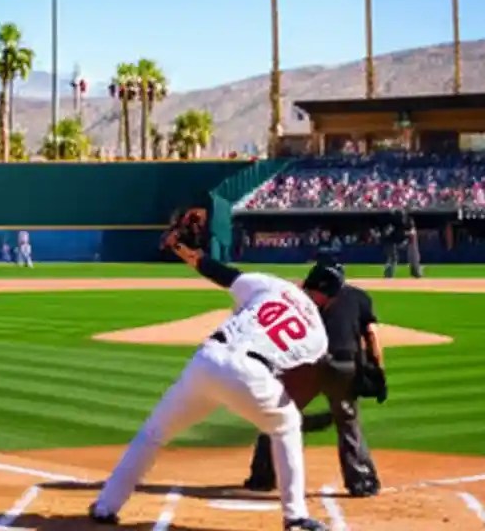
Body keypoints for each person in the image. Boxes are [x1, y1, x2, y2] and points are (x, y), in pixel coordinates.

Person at [89, 209, 331, 531]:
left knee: (153, 432)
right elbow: (298, 374)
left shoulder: (276, 285)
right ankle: (296, 517)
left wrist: (186, 252)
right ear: (327, 299)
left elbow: (223, 273)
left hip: (208, 359)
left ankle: (106, 506)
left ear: (304, 281)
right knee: (286, 425)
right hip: (253, 373)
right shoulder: (318, 332)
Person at [242, 260, 386, 498]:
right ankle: (361, 481)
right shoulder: (360, 297)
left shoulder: (299, 298)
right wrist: (378, 370)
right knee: (348, 423)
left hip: (308, 364)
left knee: (276, 414)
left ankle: (262, 476)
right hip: (343, 366)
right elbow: (371, 335)